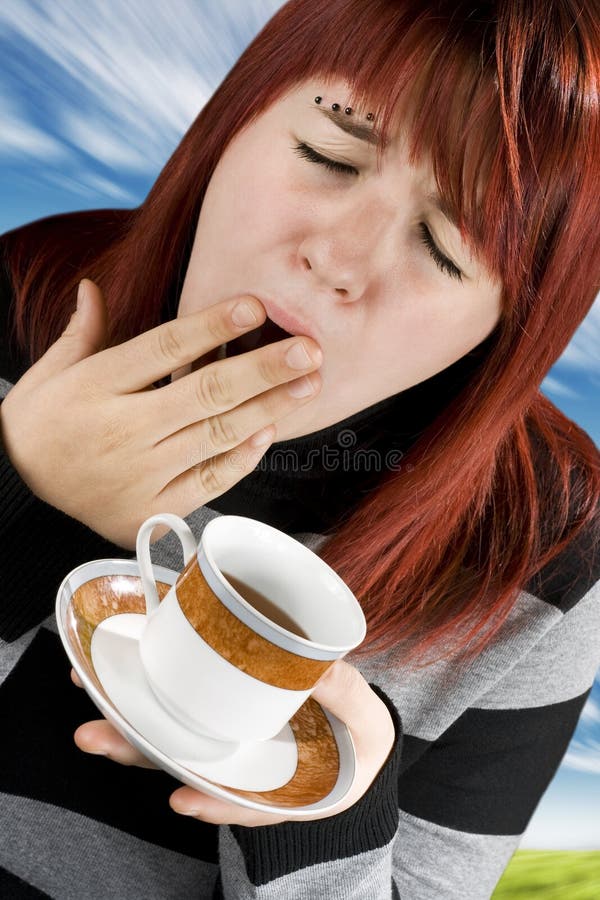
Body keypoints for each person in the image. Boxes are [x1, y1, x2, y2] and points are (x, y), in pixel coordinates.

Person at [1, 0, 599, 897]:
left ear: (507, 332)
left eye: (445, 248)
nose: (337, 260)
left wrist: (329, 810)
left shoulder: (546, 554)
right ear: (234, 121)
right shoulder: (22, 298)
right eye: (329, 155)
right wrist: (23, 496)